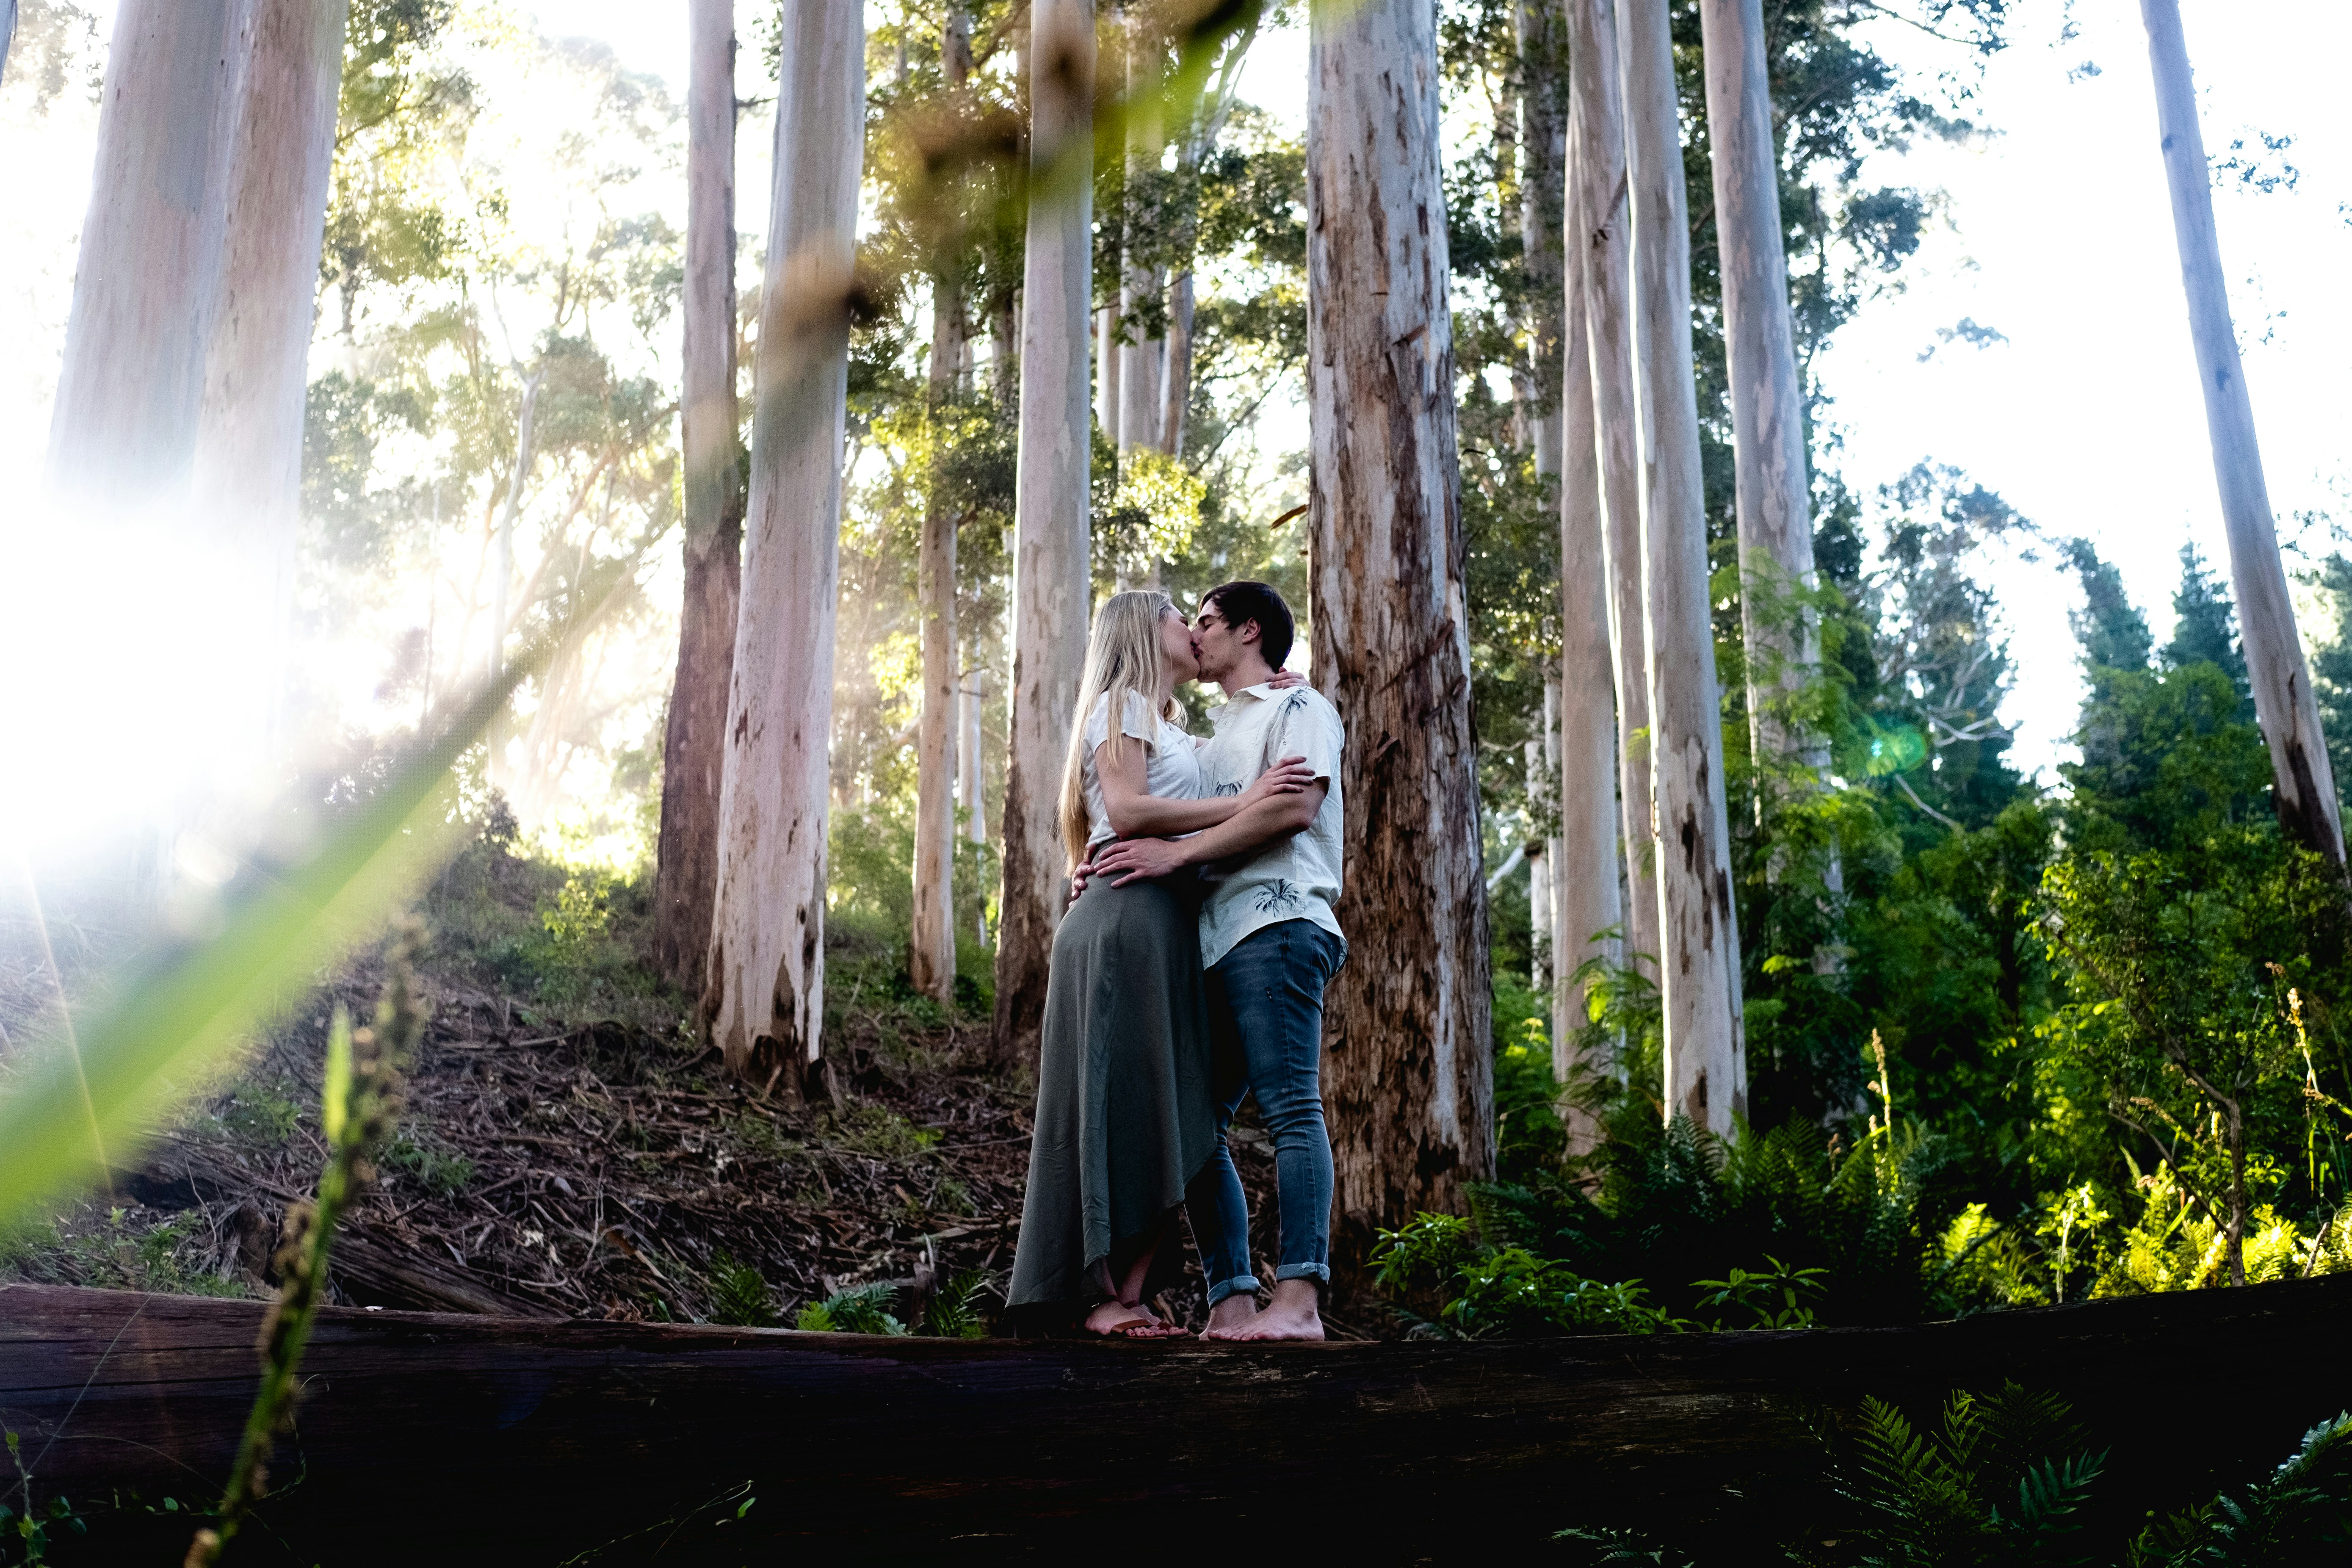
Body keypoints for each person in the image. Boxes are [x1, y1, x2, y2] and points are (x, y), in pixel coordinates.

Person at [1006, 589, 1314, 1338]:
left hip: (1169, 928)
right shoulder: (1119, 702)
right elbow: (1132, 810)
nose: (1192, 627)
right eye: (1181, 615)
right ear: (1146, 632)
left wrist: (1274, 687)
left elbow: (1198, 790)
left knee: (1170, 1104)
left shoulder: (1173, 727)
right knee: (1119, 1100)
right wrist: (1245, 800)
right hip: (1125, 924)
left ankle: (1132, 1293)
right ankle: (1104, 1296)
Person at [1086, 581, 1345, 1342]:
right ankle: (1231, 1303)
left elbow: (1291, 809)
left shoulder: (1300, 709)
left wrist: (1177, 856)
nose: (1194, 635)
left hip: (1281, 924)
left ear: (1249, 631)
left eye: (1204, 622)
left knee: (1293, 1106)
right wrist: (1105, 857)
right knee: (1195, 1128)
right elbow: (1146, 799)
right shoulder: (1214, 733)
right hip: (1216, 942)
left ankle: (1298, 1302)